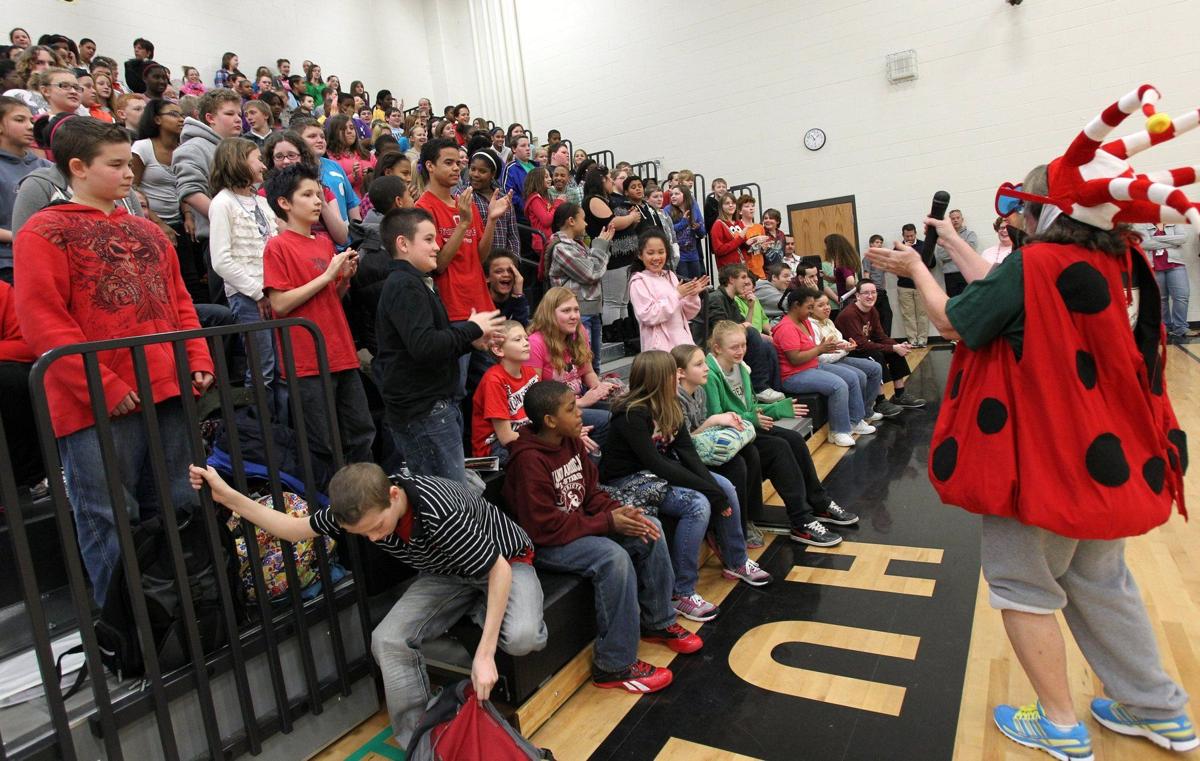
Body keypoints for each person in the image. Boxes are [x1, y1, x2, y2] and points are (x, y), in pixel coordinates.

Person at [866, 84, 1198, 756]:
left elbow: (957, 318)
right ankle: (1159, 708)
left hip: (1044, 452)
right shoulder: (1121, 260)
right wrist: (954, 241)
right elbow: (1003, 290)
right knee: (1102, 580)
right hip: (1111, 448)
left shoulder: (1039, 264)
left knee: (1022, 582)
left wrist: (914, 270)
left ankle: (1060, 722)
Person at [191, 460, 547, 747]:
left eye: (377, 527)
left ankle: (487, 609)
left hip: (504, 562)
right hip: (444, 574)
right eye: (364, 534)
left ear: (394, 495)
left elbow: (496, 570)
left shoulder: (439, 511)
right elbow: (291, 529)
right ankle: (419, 741)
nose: (376, 537)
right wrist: (227, 496)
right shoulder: (357, 510)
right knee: (386, 639)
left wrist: (485, 654)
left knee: (520, 637)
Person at [14, 116, 212, 601]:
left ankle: (188, 608)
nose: (129, 174)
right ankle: (128, 621)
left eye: (130, 164)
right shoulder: (44, 231)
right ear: (78, 167)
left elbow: (178, 302)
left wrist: (195, 356)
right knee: (107, 513)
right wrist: (102, 385)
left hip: (166, 386)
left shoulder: (146, 230)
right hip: (97, 402)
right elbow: (44, 321)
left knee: (177, 501)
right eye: (117, 165)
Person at [504, 380, 695, 694]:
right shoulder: (527, 461)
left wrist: (621, 512)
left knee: (649, 527)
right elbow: (543, 527)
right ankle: (613, 665)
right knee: (612, 557)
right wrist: (608, 523)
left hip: (576, 526)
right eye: (571, 408)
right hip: (546, 544)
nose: (580, 412)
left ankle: (657, 621)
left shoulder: (571, 442)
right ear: (550, 421)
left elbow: (590, 493)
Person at [601, 351, 769, 623]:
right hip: (625, 480)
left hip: (655, 475)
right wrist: (710, 494)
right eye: (672, 373)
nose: (677, 376)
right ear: (658, 378)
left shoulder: (670, 405)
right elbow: (656, 463)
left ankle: (736, 560)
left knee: (724, 485)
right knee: (697, 503)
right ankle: (682, 591)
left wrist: (715, 490)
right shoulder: (631, 414)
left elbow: (688, 455)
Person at [376, 207, 505, 482]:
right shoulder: (404, 285)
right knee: (448, 501)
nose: (437, 247)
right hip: (424, 412)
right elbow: (425, 346)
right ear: (403, 243)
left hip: (431, 408)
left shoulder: (413, 282)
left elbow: (432, 342)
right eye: (428, 239)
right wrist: (472, 329)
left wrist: (472, 339)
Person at [261, 164, 375, 470]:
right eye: (307, 195)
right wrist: (328, 276)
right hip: (307, 361)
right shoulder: (277, 246)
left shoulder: (324, 242)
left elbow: (330, 298)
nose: (317, 202)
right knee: (322, 443)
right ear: (284, 203)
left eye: (318, 194)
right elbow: (280, 304)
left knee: (361, 431)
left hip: (341, 352)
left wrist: (344, 280)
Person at [701, 323, 856, 544]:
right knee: (779, 448)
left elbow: (750, 407)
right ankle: (801, 521)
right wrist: (754, 418)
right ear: (717, 348)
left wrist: (776, 409)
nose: (741, 351)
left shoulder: (740, 367)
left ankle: (819, 502)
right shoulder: (711, 374)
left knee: (793, 438)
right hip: (726, 437)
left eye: (743, 345)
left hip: (744, 429)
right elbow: (718, 418)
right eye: (734, 347)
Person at [208, 138, 287, 420]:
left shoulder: (263, 202)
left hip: (273, 293)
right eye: (257, 158)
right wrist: (256, 292)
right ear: (238, 160)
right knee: (262, 369)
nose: (263, 165)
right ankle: (262, 431)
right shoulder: (222, 203)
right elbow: (221, 260)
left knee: (282, 368)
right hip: (248, 297)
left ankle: (284, 429)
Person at [775, 286, 878, 447]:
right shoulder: (786, 327)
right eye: (808, 307)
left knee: (852, 377)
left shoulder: (804, 322)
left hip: (811, 366)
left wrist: (828, 347)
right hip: (793, 375)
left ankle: (855, 421)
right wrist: (819, 349)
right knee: (838, 386)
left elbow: (813, 348)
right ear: (796, 305)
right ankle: (838, 431)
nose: (810, 311)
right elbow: (794, 359)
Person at [173, 88, 245, 303]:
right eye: (230, 114)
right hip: (220, 241)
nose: (238, 119)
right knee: (232, 312)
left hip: (246, 240)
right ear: (210, 118)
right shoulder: (193, 148)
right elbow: (191, 192)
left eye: (239, 114)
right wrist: (236, 220)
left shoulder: (236, 148)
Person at [525, 287, 612, 447]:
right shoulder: (535, 343)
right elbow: (535, 397)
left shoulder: (578, 333)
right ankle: (591, 466)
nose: (574, 316)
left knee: (626, 411)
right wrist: (581, 403)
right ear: (549, 314)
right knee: (607, 420)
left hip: (579, 399)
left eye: (576, 310)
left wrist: (599, 388)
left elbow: (588, 371)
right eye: (566, 311)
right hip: (555, 411)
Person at [835, 279, 925, 413]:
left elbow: (880, 336)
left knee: (894, 350)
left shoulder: (873, 311)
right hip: (849, 352)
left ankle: (900, 394)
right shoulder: (849, 315)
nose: (870, 296)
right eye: (866, 293)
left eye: (873, 292)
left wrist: (898, 345)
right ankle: (880, 401)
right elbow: (861, 345)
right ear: (857, 296)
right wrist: (893, 347)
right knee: (876, 355)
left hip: (863, 347)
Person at [544, 203, 612, 372]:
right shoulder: (561, 248)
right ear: (571, 221)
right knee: (583, 366)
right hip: (578, 313)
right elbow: (591, 273)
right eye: (583, 219)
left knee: (594, 365)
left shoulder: (577, 244)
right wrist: (600, 246)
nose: (587, 224)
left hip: (591, 311)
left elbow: (597, 267)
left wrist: (600, 247)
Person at [705, 263, 785, 401]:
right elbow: (720, 330)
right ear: (731, 279)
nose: (747, 281)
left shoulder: (731, 301)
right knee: (753, 333)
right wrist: (745, 326)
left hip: (731, 341)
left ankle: (773, 389)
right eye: (742, 277)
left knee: (768, 346)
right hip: (716, 345)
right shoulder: (716, 298)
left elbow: (744, 326)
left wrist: (751, 308)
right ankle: (760, 388)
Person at [261, 130, 349, 247]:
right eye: (279, 156)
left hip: (327, 252)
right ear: (272, 160)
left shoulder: (321, 190)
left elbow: (342, 237)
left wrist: (322, 203)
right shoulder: (264, 194)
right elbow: (282, 234)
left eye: (292, 155)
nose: (286, 161)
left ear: (302, 157)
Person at [628, 229, 706, 352]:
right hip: (660, 351)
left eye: (661, 252)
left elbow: (687, 314)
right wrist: (677, 294)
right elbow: (648, 316)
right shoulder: (639, 282)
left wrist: (692, 295)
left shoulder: (670, 275)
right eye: (650, 253)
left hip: (683, 345)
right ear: (640, 255)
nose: (656, 257)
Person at [471, 320, 538, 462]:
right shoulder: (494, 380)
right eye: (517, 339)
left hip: (524, 434)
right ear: (498, 350)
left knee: (570, 440)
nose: (526, 343)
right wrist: (546, 438)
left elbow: (541, 413)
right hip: (493, 449)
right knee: (543, 455)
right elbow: (506, 437)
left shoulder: (530, 373)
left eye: (526, 338)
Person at [0, 96, 49, 284]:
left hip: (46, 259)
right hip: (8, 264)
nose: (30, 126)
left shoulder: (45, 166)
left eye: (31, 120)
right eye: (19, 120)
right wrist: (23, 235)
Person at [1141, 223, 1198, 341]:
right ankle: (1164, 327)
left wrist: (1156, 239)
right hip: (1154, 266)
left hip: (1176, 264)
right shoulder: (1143, 224)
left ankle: (1180, 328)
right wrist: (1172, 241)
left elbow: (1182, 238)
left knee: (1182, 296)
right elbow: (1144, 243)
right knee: (1160, 299)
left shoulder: (1174, 222)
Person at [463, 148, 518, 258]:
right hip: (476, 261)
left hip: (501, 264)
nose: (475, 174)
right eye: (472, 169)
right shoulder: (465, 196)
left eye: (482, 171)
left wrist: (512, 260)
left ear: (492, 174)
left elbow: (513, 235)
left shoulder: (503, 197)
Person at [895, 222, 935, 346]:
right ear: (903, 236)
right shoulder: (898, 248)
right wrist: (905, 251)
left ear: (915, 234)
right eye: (907, 236)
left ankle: (923, 339)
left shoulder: (924, 245)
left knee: (923, 314)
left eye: (912, 236)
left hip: (921, 285)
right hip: (904, 285)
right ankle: (912, 340)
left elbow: (932, 263)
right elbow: (894, 265)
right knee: (908, 315)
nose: (910, 238)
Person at [324, 113, 375, 199]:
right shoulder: (329, 157)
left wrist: (371, 174)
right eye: (343, 129)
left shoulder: (366, 154)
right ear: (334, 133)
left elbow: (380, 175)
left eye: (352, 128)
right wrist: (352, 177)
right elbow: (332, 186)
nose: (349, 131)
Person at [934, 209, 978, 297]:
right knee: (953, 302)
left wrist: (950, 247)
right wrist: (962, 246)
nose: (955, 220)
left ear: (962, 219)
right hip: (950, 275)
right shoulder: (943, 237)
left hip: (966, 272)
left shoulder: (970, 234)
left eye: (958, 218)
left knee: (967, 300)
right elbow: (941, 255)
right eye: (953, 218)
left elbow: (970, 251)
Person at [524, 165, 561, 261]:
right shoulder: (535, 198)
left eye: (549, 176)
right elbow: (546, 220)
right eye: (546, 177)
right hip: (542, 241)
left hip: (548, 239)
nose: (550, 179)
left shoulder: (543, 196)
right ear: (537, 180)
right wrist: (558, 203)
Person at [668, 185, 705, 279]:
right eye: (671, 194)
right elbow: (669, 230)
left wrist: (697, 228)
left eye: (677, 194)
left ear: (685, 195)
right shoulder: (667, 210)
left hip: (693, 254)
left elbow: (702, 233)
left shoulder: (693, 209)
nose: (673, 196)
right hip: (679, 256)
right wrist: (683, 222)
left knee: (696, 283)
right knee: (685, 283)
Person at [483, 249, 528, 325]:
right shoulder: (480, 301)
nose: (506, 274)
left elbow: (520, 330)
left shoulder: (518, 299)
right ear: (487, 277)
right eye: (499, 271)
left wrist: (518, 294)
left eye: (510, 271)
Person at [710, 193, 747, 271]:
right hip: (729, 270)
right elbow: (718, 250)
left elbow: (742, 245)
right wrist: (740, 238)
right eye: (727, 203)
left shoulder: (738, 222)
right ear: (721, 207)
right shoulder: (718, 225)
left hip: (742, 267)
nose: (731, 205)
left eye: (733, 203)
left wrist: (753, 243)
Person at [825, 233, 861, 303]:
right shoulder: (839, 261)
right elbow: (839, 280)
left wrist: (847, 291)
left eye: (827, 246)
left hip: (848, 300)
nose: (826, 249)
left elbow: (850, 282)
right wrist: (825, 277)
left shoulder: (842, 263)